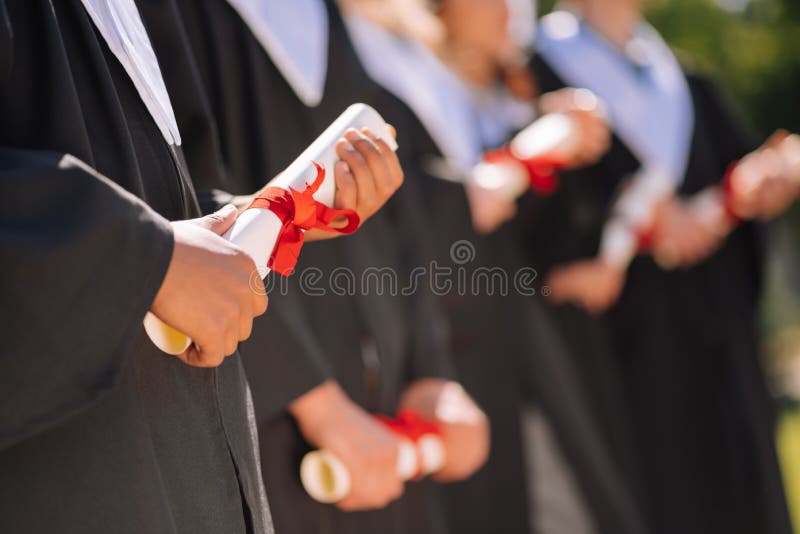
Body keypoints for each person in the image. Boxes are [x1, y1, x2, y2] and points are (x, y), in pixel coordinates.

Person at [0, 1, 400, 532]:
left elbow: (174, 193)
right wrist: (146, 255)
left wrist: (267, 215)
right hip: (66, 460)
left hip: (188, 435)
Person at [138, 1, 490, 532]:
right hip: (271, 416)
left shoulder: (331, 22)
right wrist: (320, 406)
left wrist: (430, 371)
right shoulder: (177, 16)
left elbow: (402, 221)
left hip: (381, 418)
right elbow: (184, 211)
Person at [342, 2, 652, 533]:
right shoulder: (359, 53)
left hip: (508, 333)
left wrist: (542, 142)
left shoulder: (431, 66)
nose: (508, 8)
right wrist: (484, 185)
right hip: (436, 345)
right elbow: (411, 202)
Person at [531, 1, 799, 533]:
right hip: (622, 352)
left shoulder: (685, 79)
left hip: (718, 339)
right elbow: (537, 231)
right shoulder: (535, 76)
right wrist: (624, 230)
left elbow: (732, 189)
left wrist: (760, 189)